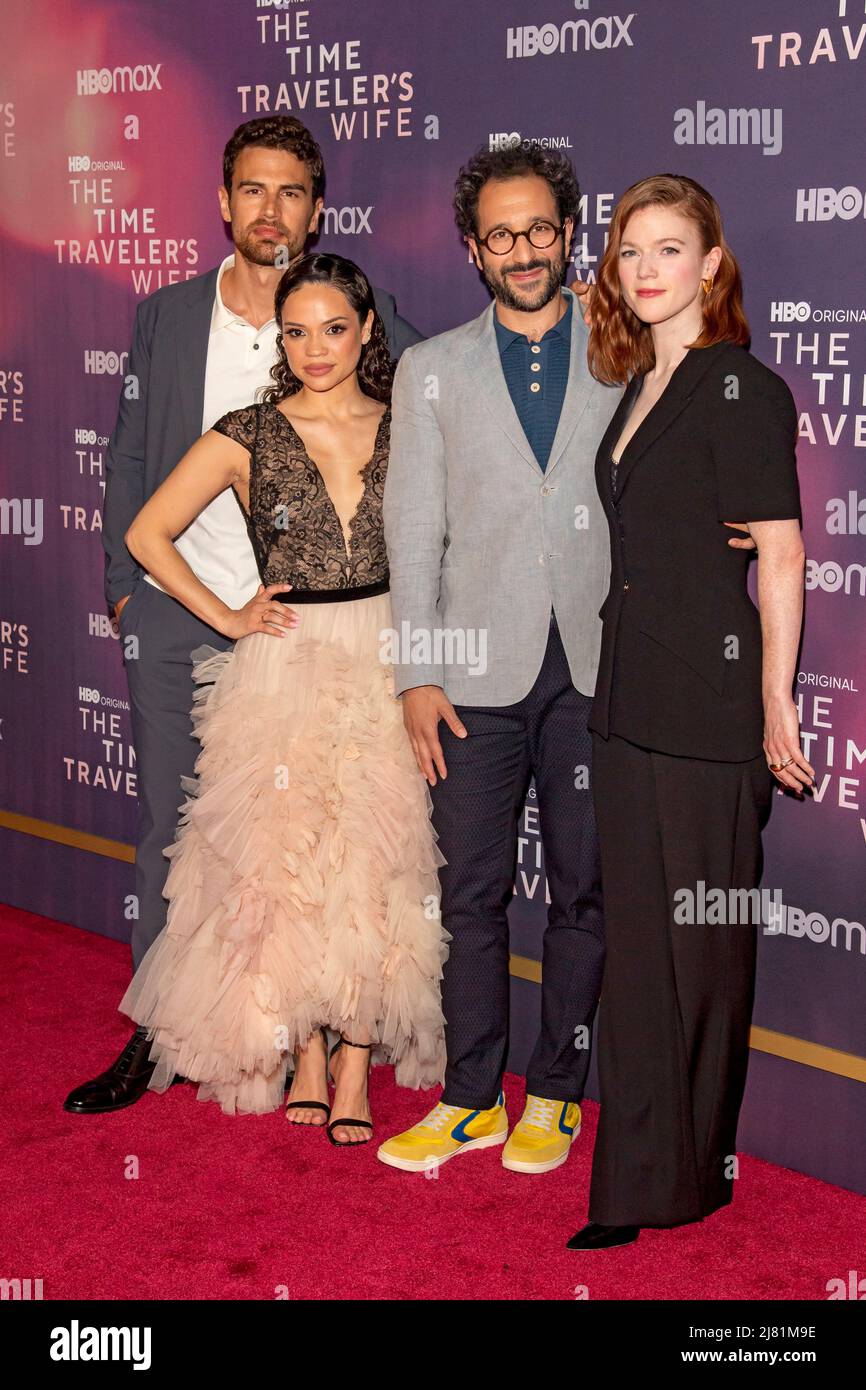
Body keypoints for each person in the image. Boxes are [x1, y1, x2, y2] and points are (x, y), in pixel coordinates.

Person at [65, 116, 422, 1117]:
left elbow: (441, 404)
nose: (271, 209)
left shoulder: (363, 308)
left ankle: (283, 1032)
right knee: (176, 831)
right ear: (224, 203)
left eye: (292, 191)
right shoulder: (168, 317)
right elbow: (131, 466)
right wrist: (130, 594)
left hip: (314, 628)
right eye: (252, 190)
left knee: (310, 838)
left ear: (317, 208)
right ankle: (158, 1035)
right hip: (185, 614)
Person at [112, 253, 448, 1145]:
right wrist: (224, 611)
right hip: (285, 658)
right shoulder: (246, 431)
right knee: (288, 864)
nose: (314, 348)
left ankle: (355, 1061)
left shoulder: (409, 422)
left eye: (334, 328)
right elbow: (148, 531)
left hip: (383, 655)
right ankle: (303, 1046)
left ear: (369, 331)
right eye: (294, 332)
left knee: (374, 862)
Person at [566, 174, 811, 1250]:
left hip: (708, 707)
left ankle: (682, 1177)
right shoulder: (639, 383)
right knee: (638, 945)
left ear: (711, 262)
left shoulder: (738, 387)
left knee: (697, 952)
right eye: (630, 252)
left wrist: (773, 702)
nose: (648, 268)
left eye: (670, 248)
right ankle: (639, 1175)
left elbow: (783, 549)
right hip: (625, 701)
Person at [376, 142, 617, 1176]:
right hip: (470, 673)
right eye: (500, 233)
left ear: (569, 232)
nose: (523, 249)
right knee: (468, 892)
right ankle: (471, 1095)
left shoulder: (626, 351)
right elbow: (412, 529)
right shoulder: (429, 371)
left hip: (602, 664)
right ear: (472, 248)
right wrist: (416, 674)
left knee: (585, 890)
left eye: (539, 229)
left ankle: (554, 1091)